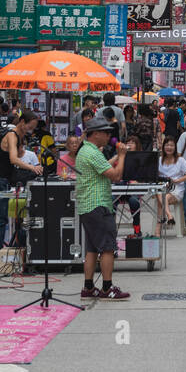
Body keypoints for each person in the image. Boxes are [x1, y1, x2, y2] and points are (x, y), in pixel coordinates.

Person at [75, 117, 131, 300]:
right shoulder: (92, 153)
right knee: (107, 248)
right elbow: (115, 175)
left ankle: (88, 287)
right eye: (106, 132)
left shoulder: (86, 151)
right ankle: (107, 288)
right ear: (96, 133)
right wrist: (122, 156)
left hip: (87, 206)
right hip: (98, 204)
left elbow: (104, 167)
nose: (109, 136)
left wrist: (116, 156)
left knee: (92, 249)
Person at [0, 110, 42, 265]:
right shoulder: (12, 135)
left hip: (2, 179)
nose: (31, 130)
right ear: (22, 122)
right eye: (30, 126)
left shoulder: (20, 136)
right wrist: (31, 168)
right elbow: (14, 159)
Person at [155, 138, 186, 234]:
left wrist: (177, 180)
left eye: (171, 145)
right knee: (160, 193)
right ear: (163, 147)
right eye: (167, 145)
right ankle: (169, 216)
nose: (169, 147)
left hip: (176, 188)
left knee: (163, 198)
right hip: (163, 187)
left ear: (175, 147)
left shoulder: (180, 160)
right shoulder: (159, 160)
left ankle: (157, 230)